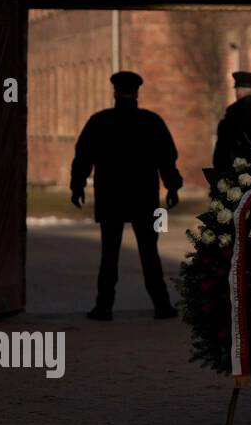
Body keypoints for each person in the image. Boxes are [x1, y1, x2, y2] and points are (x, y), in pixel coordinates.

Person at [70, 71, 182, 321]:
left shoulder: (100, 121)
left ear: (114, 92)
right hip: (144, 196)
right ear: (137, 93)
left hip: (111, 195)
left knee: (109, 253)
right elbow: (167, 158)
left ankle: (104, 306)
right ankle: (161, 305)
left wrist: (77, 186)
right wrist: (173, 187)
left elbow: (83, 156)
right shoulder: (151, 122)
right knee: (149, 252)